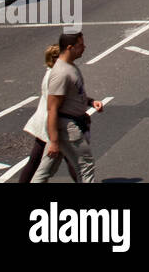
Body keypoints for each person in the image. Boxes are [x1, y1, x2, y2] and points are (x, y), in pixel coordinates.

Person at [31, 32, 102, 183]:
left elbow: (73, 96)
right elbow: (52, 108)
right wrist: (55, 141)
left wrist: (90, 102)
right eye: (80, 45)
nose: (84, 48)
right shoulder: (61, 73)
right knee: (85, 166)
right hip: (68, 128)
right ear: (70, 47)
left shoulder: (70, 66)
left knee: (46, 170)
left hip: (65, 127)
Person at [19, 45, 80, 183]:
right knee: (72, 161)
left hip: (48, 124)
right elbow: (55, 107)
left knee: (36, 161)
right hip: (52, 124)